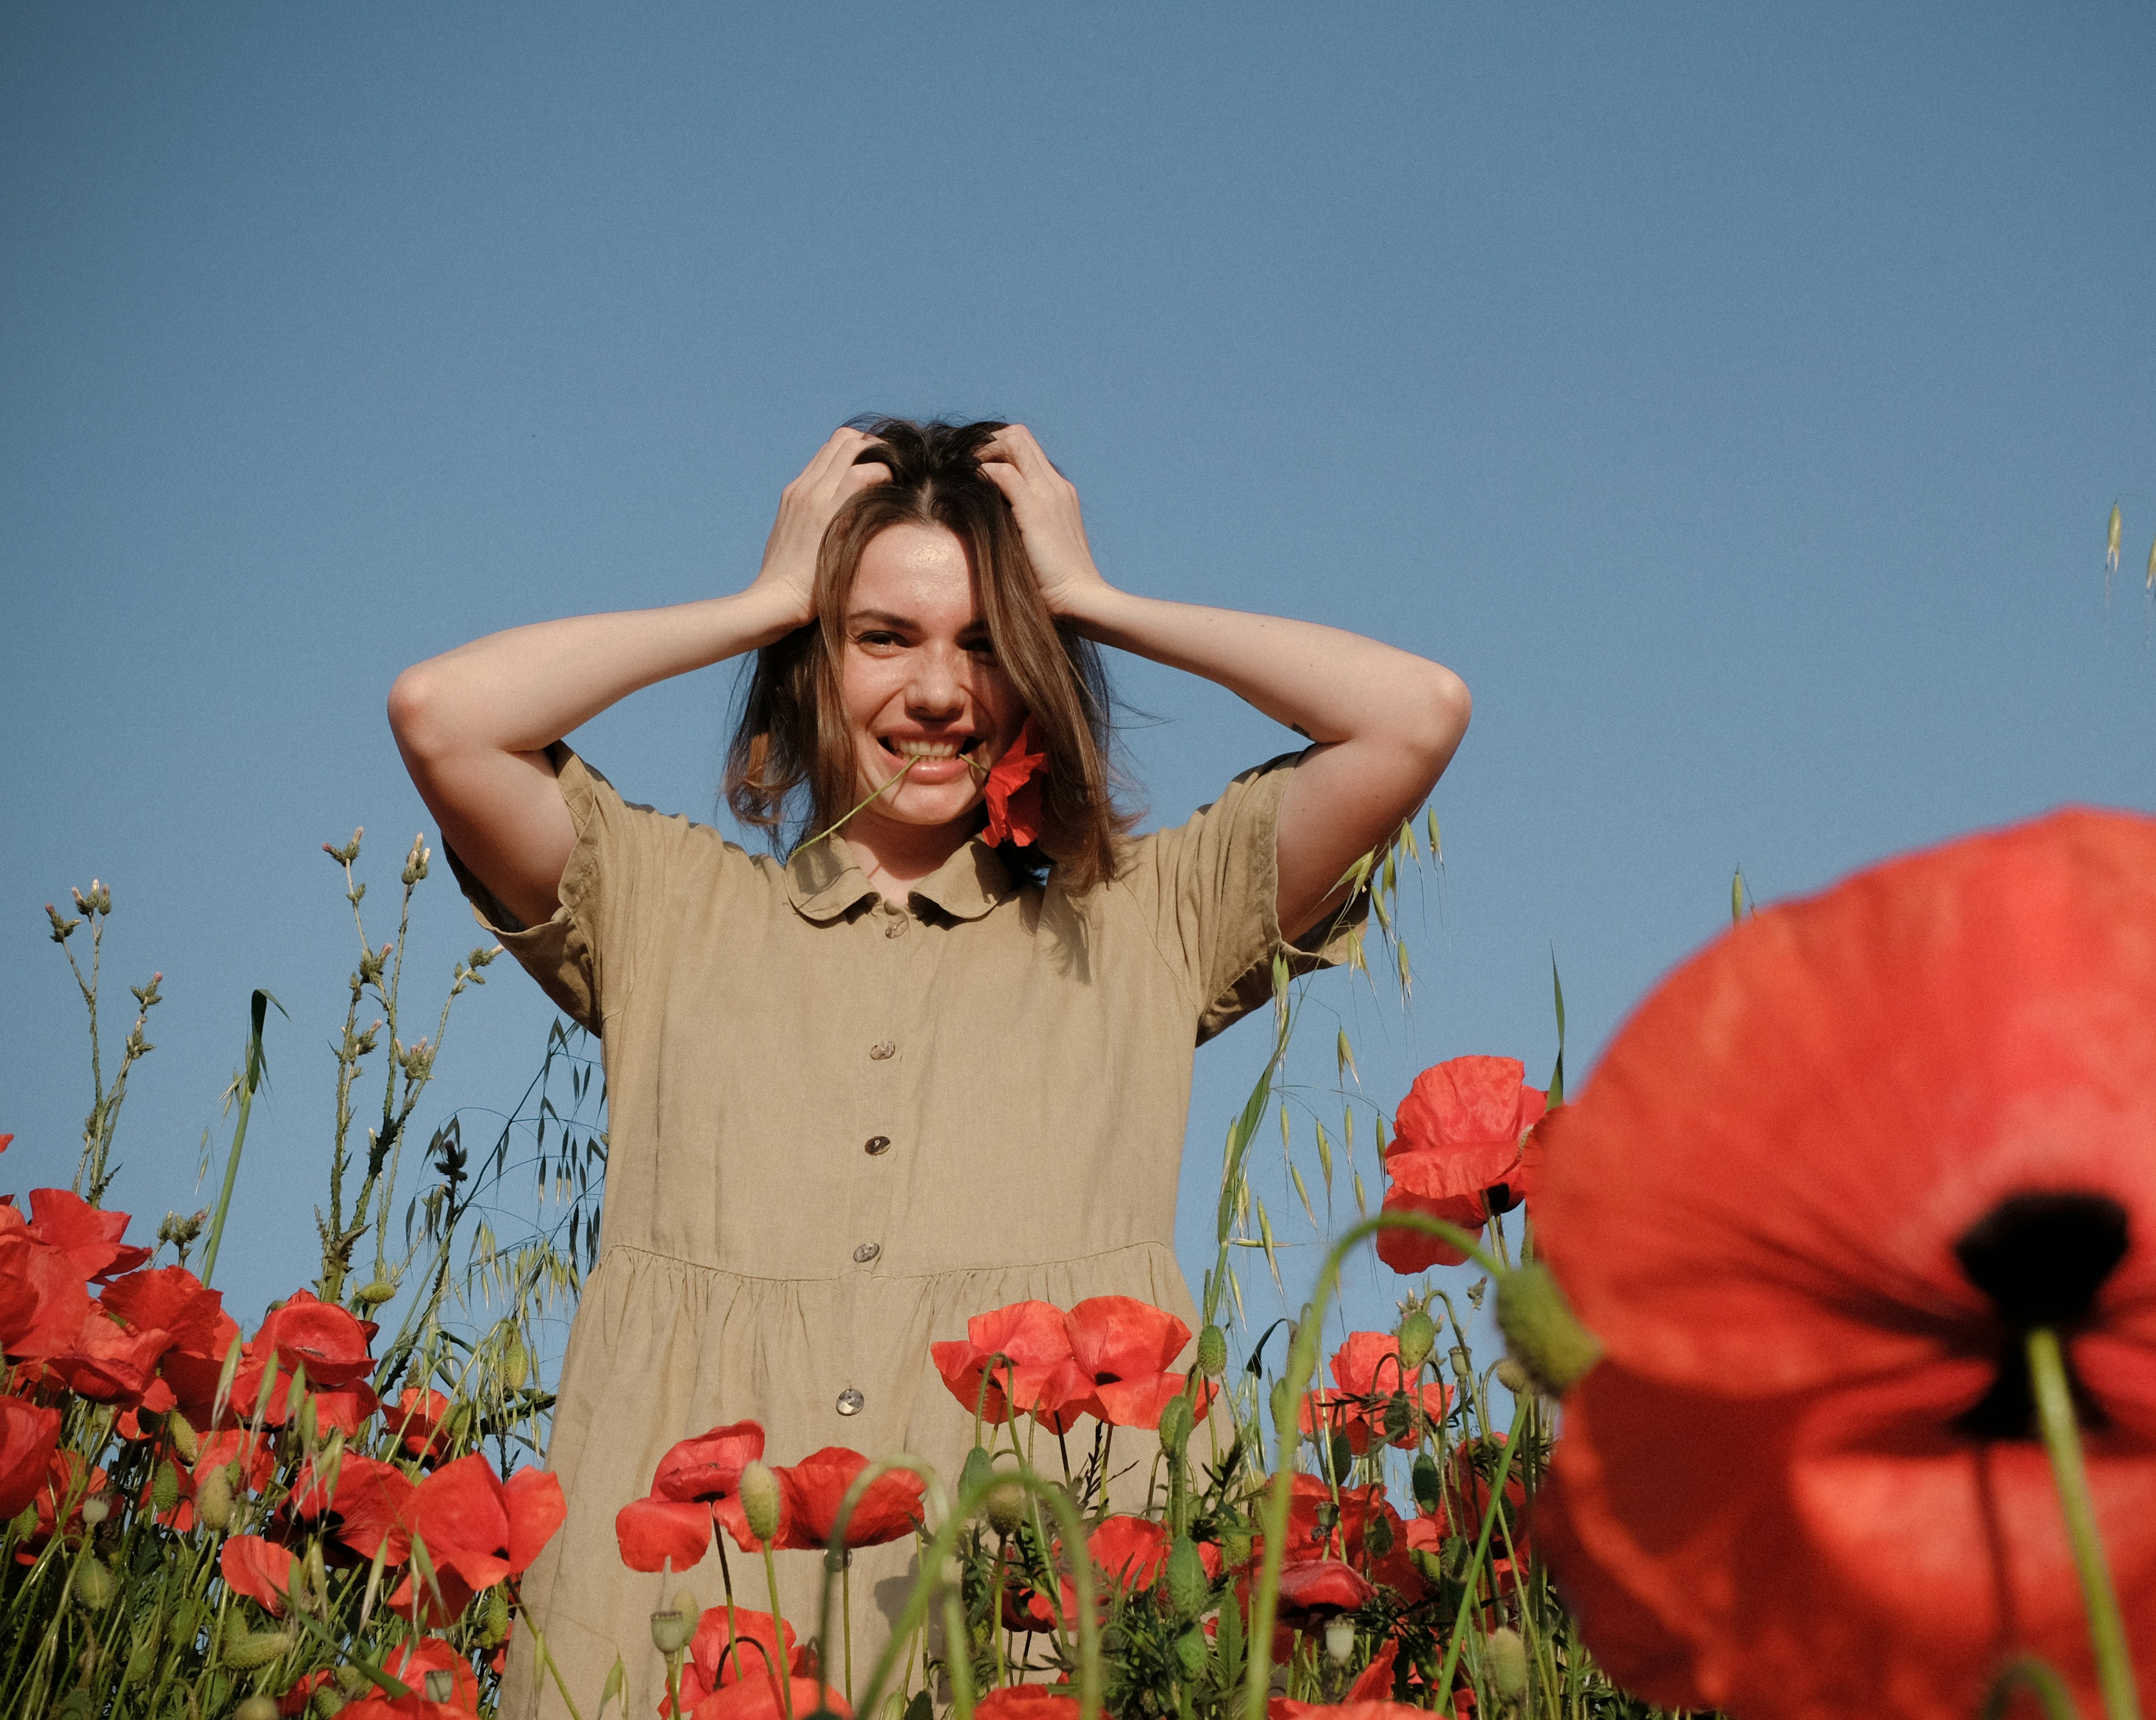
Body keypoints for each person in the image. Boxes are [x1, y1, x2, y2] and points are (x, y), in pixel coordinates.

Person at [386, 418, 1470, 1710]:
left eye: (989, 645)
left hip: (1036, 1605)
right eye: (881, 637)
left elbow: (1414, 714)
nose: (941, 692)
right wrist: (768, 597)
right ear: (808, 662)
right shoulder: (660, 903)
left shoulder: (1148, 922)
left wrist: (1086, 597)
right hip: (689, 1602)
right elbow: (443, 715)